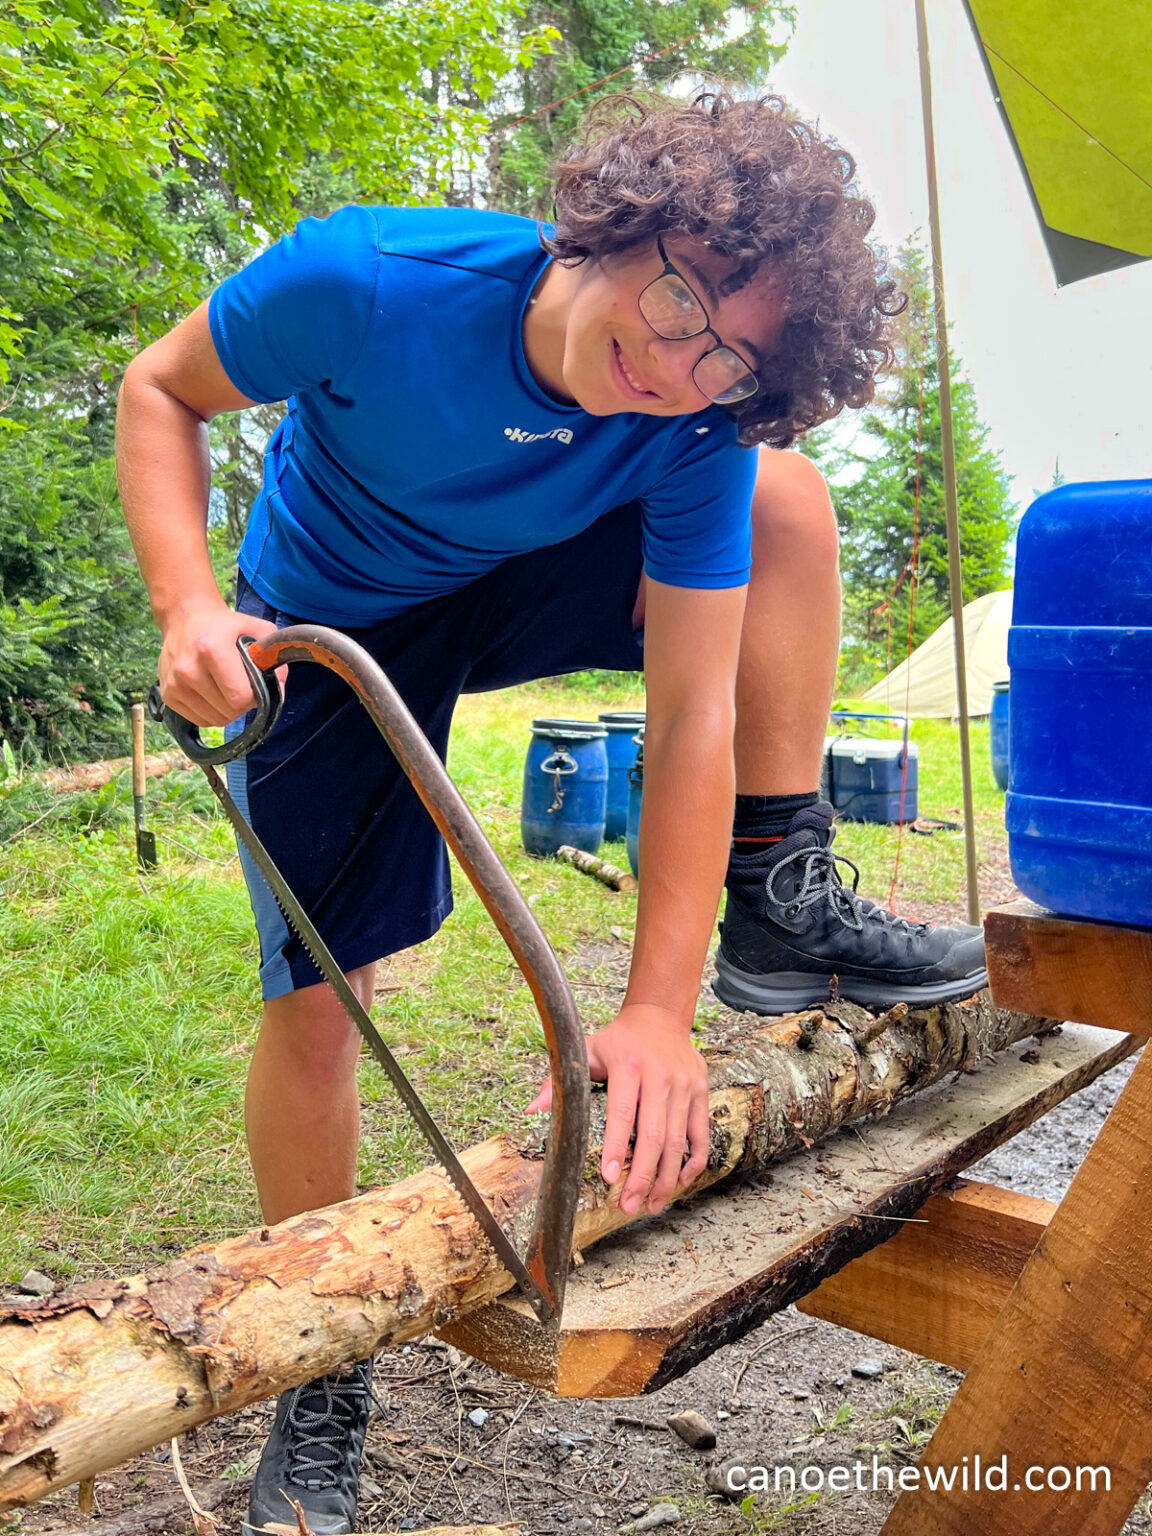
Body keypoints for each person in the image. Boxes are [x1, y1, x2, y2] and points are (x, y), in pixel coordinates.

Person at [116, 88, 986, 1535]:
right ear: (630, 220)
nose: (679, 365)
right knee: (330, 1000)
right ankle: (317, 1373)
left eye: (730, 359)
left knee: (787, 506)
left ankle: (777, 905)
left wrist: (650, 1014)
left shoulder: (699, 424)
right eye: (685, 301)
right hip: (330, 618)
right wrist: (187, 604)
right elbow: (161, 390)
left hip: (515, 585)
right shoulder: (368, 282)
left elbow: (697, 709)